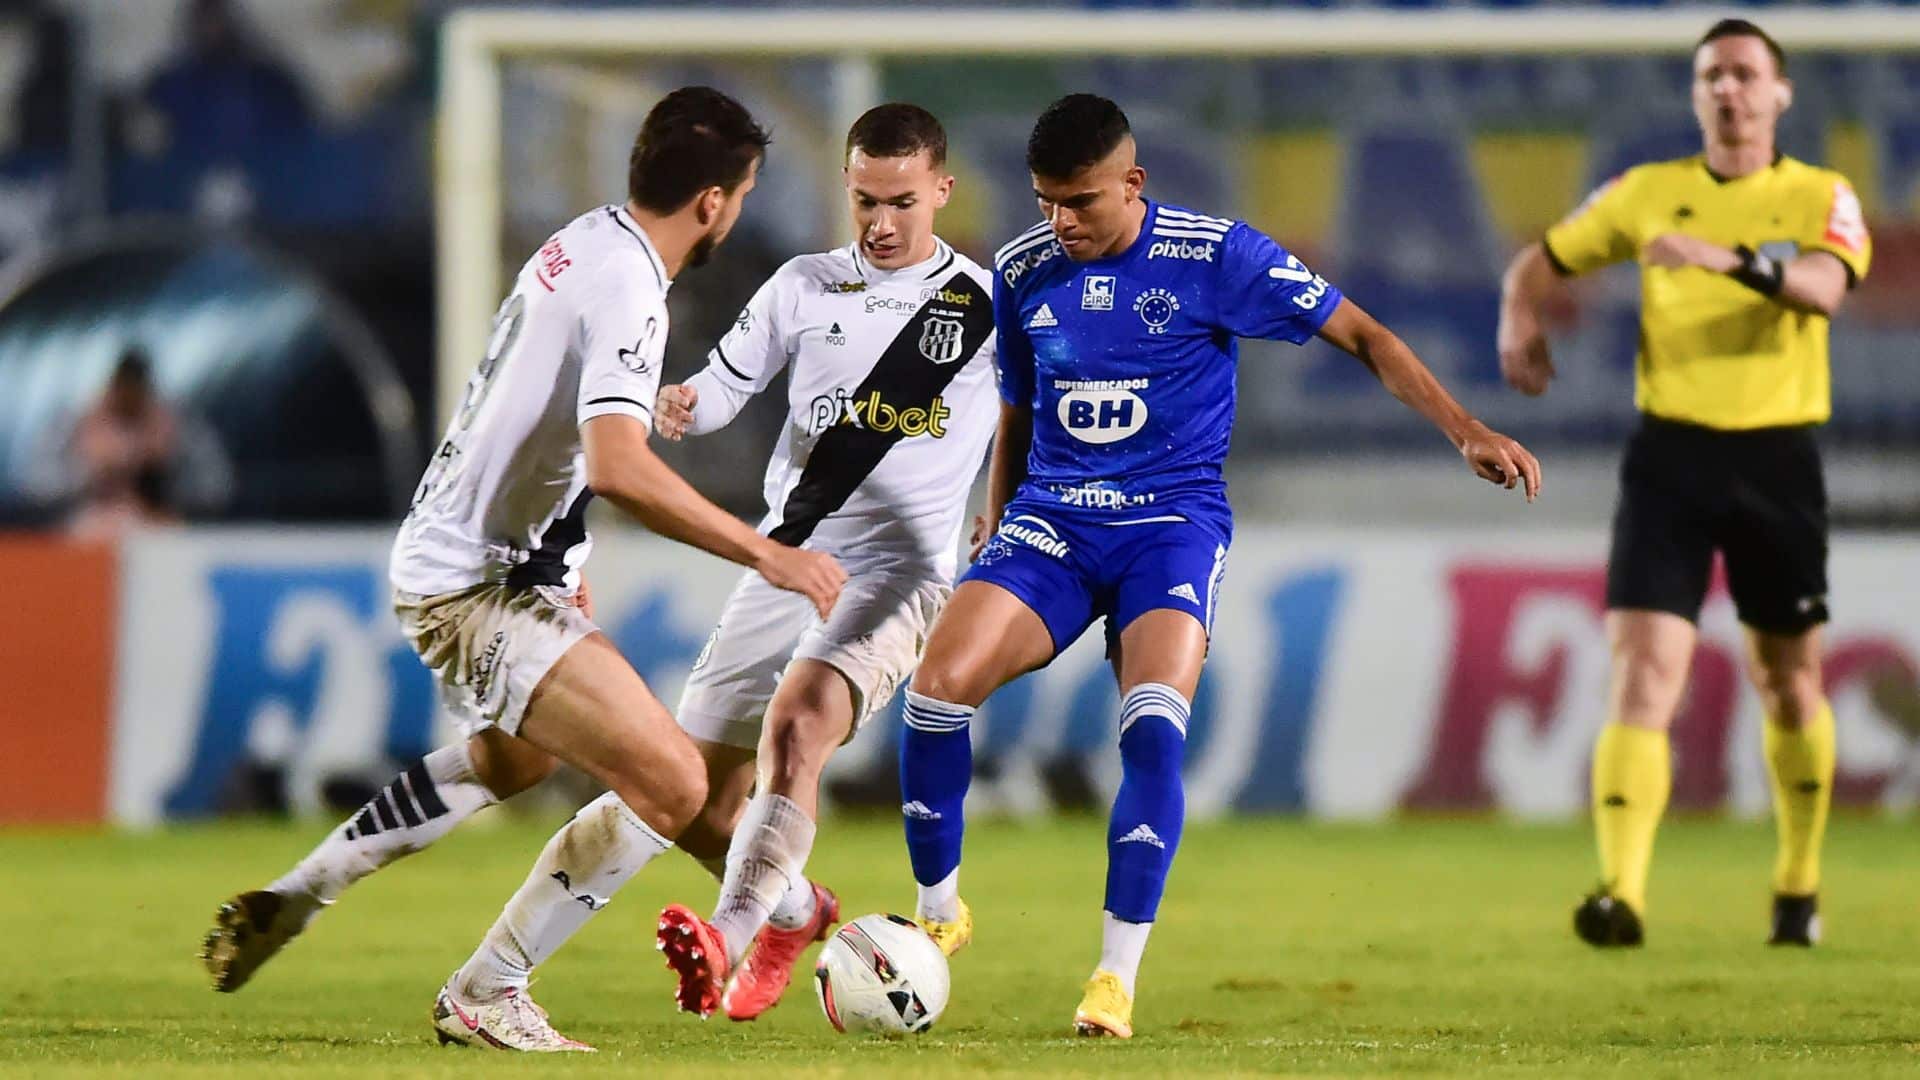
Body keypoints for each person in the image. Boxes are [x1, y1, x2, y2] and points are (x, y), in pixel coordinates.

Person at [198, 86, 848, 1053]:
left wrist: (565, 563)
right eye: (744, 194)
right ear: (713, 202)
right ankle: (489, 989)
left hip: (489, 560)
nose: (739, 212)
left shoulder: (586, 239)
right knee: (671, 778)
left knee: (519, 759)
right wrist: (768, 551)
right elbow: (621, 467)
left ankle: (303, 890)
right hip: (477, 583)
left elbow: (542, 435)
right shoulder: (632, 289)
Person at [898, 93, 1542, 1039]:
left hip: (1170, 522)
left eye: (1079, 201)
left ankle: (1113, 979)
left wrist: (1465, 430)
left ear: (1135, 183)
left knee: (1153, 729)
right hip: (1054, 522)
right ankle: (939, 915)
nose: (1060, 222)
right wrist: (997, 510)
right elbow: (1016, 406)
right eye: (1044, 201)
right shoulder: (1023, 268)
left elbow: (1363, 334)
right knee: (934, 692)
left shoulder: (1217, 254)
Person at [1497, 19, 1870, 950]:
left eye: (1746, 74)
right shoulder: (1648, 193)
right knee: (1643, 673)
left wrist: (1728, 261)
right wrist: (1519, 317)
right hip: (1671, 457)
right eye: (1713, 76)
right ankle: (1619, 892)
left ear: (1780, 94)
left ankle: (1797, 883)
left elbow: (1825, 288)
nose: (1730, 90)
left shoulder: (1821, 194)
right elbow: (1537, 262)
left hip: (1778, 456)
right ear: (1697, 94)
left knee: (1787, 681)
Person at [644, 103, 999, 1021]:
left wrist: (1007, 506)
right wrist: (685, 402)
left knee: (798, 728)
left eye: (903, 203)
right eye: (864, 201)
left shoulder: (986, 307)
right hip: (788, 555)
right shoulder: (802, 285)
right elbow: (727, 387)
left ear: (943, 193)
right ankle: (794, 912)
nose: (882, 223)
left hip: (898, 576)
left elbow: (1036, 415)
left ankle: (724, 933)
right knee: (690, 793)